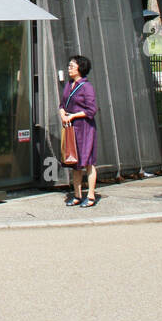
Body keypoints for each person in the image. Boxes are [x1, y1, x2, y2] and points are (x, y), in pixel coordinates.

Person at [59, 54, 98, 207]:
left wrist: (73, 115)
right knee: (74, 161)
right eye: (69, 66)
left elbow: (91, 110)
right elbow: (62, 104)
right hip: (71, 128)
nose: (69, 68)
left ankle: (91, 195)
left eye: (72, 66)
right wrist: (63, 114)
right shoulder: (69, 85)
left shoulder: (86, 87)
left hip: (84, 127)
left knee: (88, 161)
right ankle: (77, 194)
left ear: (80, 68)